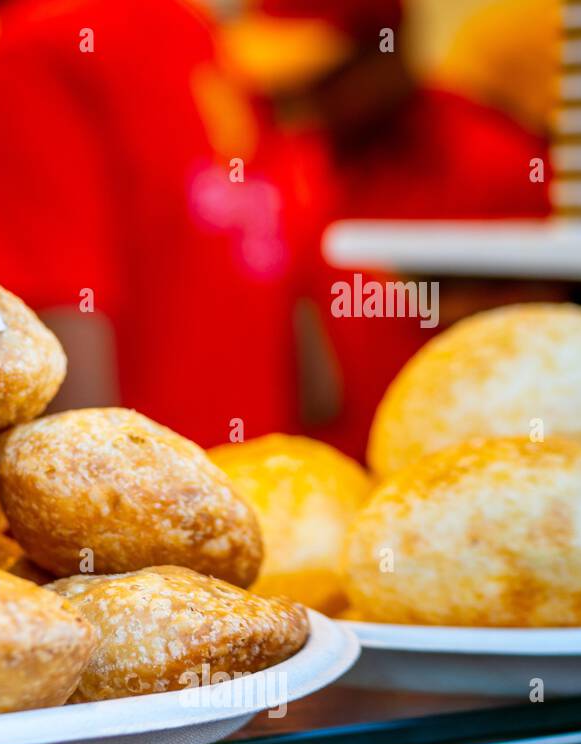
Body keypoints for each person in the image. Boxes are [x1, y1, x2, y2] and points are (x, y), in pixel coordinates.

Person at [0, 0, 308, 449]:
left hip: (143, 493)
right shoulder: (188, 26)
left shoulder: (28, 58)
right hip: (266, 477)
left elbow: (55, 322)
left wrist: (91, 492)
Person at [224, 0, 554, 457]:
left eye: (326, 77)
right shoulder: (296, 157)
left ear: (386, 50)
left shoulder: (496, 166)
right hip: (321, 478)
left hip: (450, 476)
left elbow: (537, 350)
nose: (307, 103)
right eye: (288, 87)